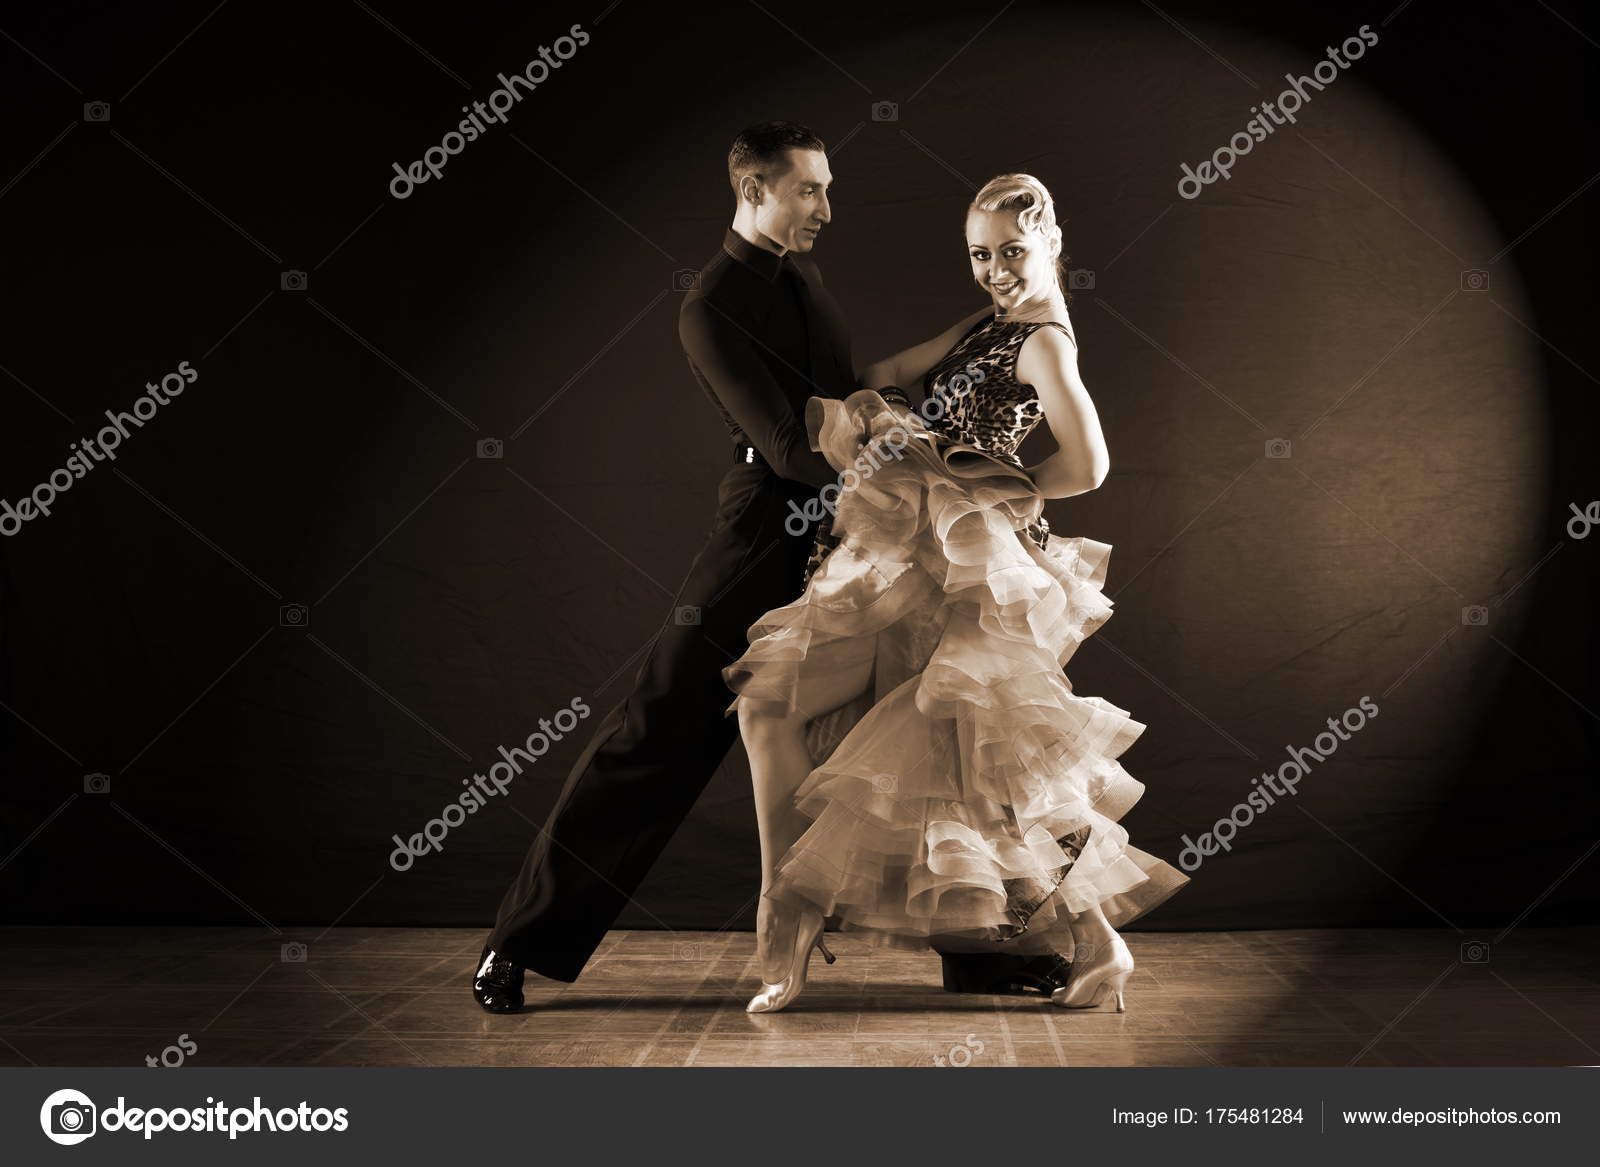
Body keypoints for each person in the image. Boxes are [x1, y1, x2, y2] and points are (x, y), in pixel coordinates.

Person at [473, 127, 1073, 1012]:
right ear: (754, 188)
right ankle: (520, 943)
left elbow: (865, 386)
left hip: (861, 543)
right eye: (809, 192)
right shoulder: (710, 305)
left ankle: (978, 954)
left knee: (931, 729)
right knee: (658, 732)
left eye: (828, 190)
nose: (827, 208)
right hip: (767, 538)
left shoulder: (806, 280)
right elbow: (793, 449)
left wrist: (906, 442)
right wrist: (909, 451)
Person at [724, 172, 1191, 1014]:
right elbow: (885, 370)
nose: (995, 269)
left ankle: (1097, 939)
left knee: (984, 766)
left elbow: (1087, 465)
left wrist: (995, 500)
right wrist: (890, 417)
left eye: (1011, 251)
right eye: (980, 254)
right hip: (907, 553)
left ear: (1050, 239)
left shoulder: (1044, 337)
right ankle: (790, 915)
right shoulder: (991, 320)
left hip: (967, 572)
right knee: (776, 708)